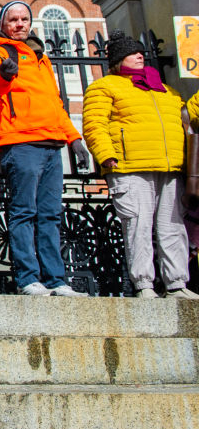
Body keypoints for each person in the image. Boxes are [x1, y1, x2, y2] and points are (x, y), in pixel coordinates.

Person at [0, 1, 90, 296]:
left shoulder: (41, 57)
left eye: (24, 19)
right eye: (13, 19)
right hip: (20, 139)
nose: (19, 24)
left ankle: (56, 279)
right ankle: (28, 278)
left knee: (50, 214)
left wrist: (74, 138)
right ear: (3, 25)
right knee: (24, 212)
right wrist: (4, 74)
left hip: (52, 142)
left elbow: (55, 102)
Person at [82, 30, 199, 298]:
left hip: (169, 166)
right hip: (130, 166)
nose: (139, 55)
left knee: (173, 227)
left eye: (139, 52)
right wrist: (105, 154)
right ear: (117, 60)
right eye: (130, 53)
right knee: (138, 226)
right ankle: (144, 283)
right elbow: (94, 125)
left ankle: (177, 283)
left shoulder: (164, 89)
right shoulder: (104, 87)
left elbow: (187, 117)